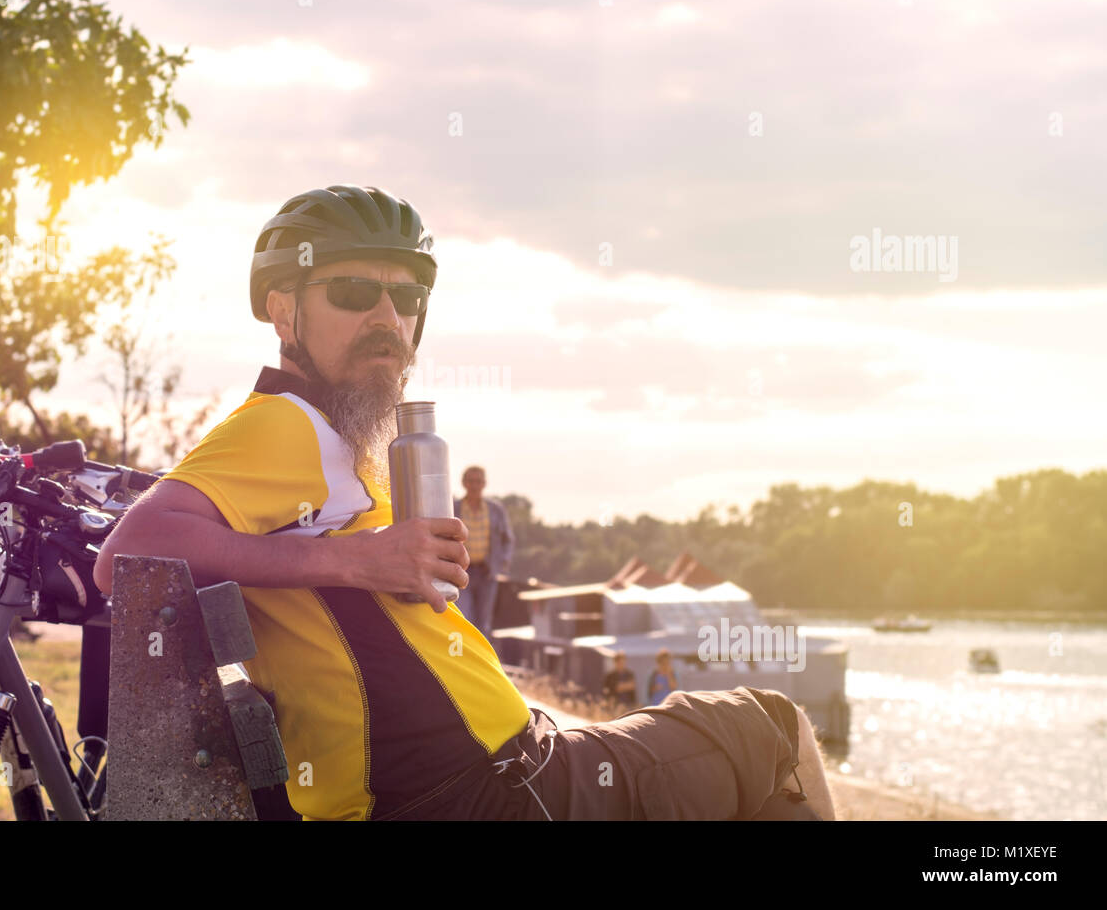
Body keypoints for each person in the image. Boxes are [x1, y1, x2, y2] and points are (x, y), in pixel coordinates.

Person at [94, 183, 835, 822]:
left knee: (701, 734)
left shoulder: (332, 437)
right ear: (284, 312)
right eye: (354, 293)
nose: (388, 316)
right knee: (775, 730)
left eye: (406, 296)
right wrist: (355, 559)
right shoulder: (287, 423)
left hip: (472, 778)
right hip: (491, 789)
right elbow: (127, 553)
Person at [453, 466, 514, 644]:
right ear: (464, 483)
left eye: (478, 481)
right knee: (464, 617)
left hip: (487, 572)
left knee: (484, 622)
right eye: (471, 481)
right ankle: (463, 659)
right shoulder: (454, 508)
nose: (474, 485)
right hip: (461, 571)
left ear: (484, 484)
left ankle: (482, 663)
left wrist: (503, 563)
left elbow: (507, 539)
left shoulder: (495, 509)